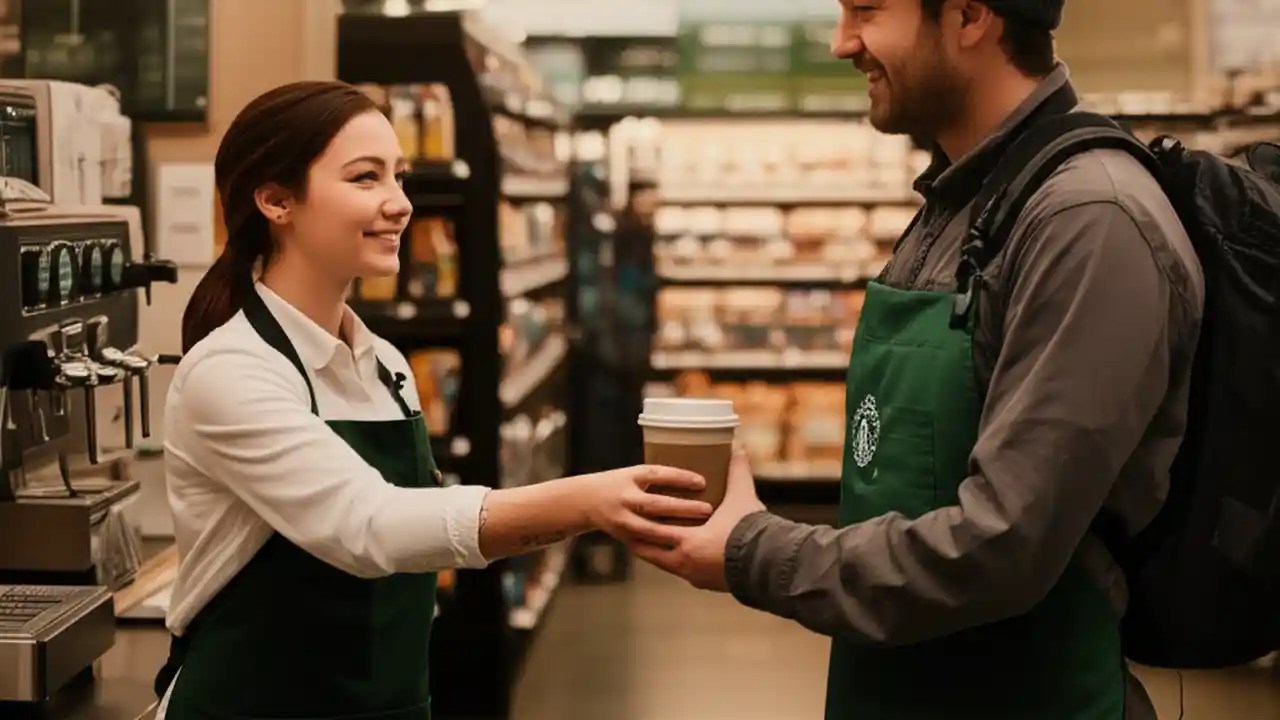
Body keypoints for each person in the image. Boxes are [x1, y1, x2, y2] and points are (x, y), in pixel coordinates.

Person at [629, 1, 1204, 718]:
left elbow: (1003, 547)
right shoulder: (964, 200)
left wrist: (757, 551)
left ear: (968, 15)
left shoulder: (1087, 220)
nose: (842, 43)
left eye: (867, 9)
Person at [153, 81, 709, 719]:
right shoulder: (233, 370)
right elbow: (369, 526)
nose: (400, 204)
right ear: (277, 200)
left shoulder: (385, 365)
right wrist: (589, 500)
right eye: (365, 179)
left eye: (400, 177)